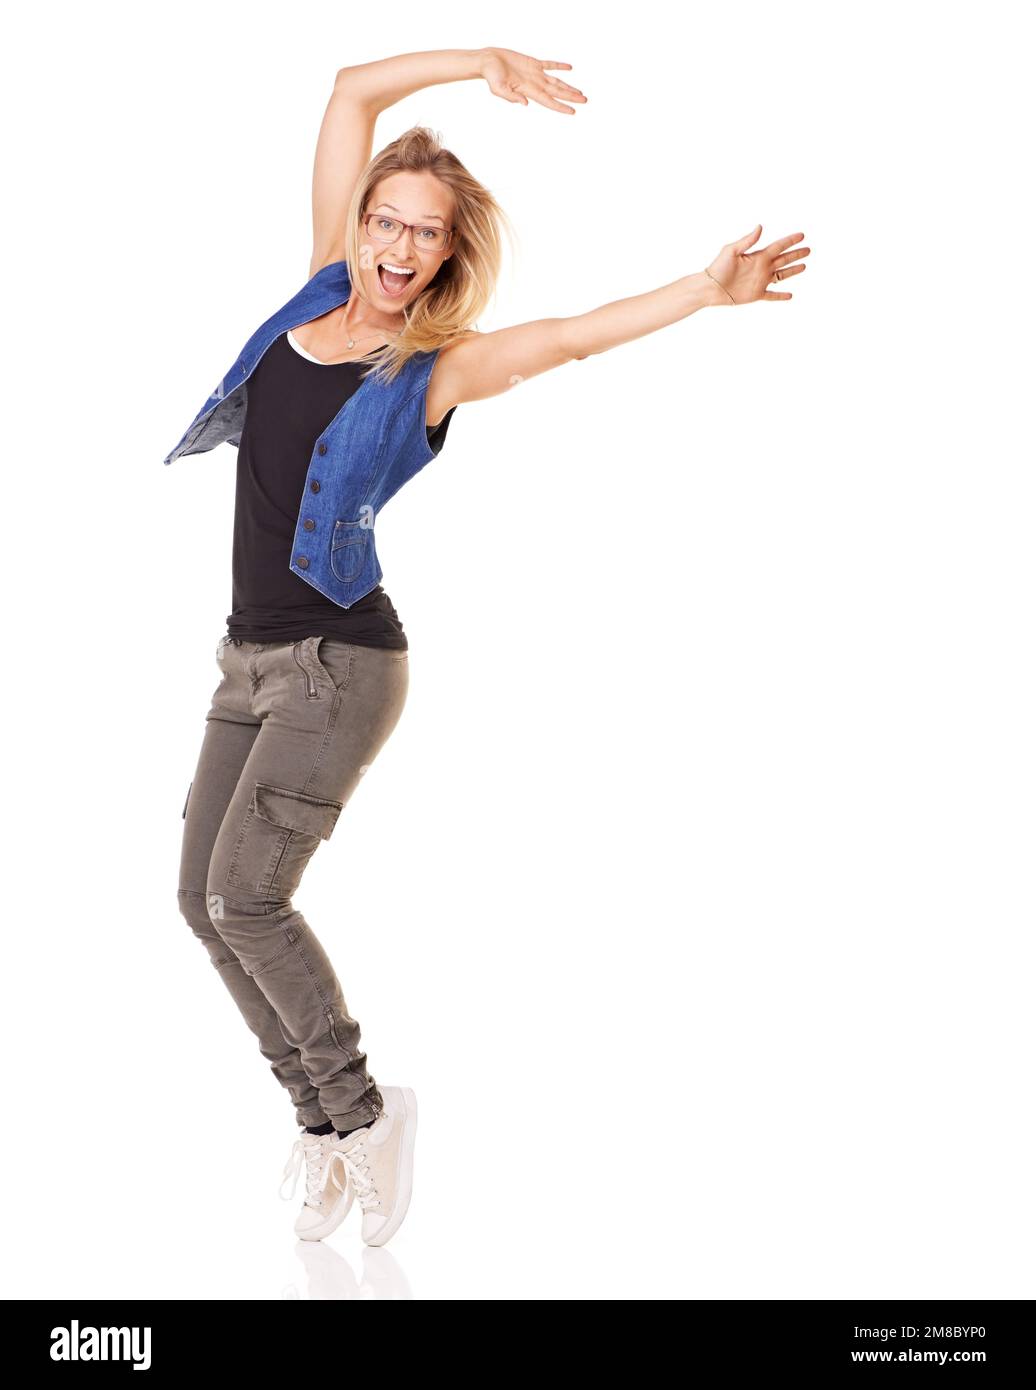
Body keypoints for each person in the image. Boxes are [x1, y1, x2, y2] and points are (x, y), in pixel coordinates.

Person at [172, 45, 810, 1248]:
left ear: (451, 257)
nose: (400, 248)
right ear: (359, 223)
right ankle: (321, 1128)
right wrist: (480, 64)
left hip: (339, 666)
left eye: (427, 236)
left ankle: (365, 1114)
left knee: (246, 897)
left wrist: (702, 289)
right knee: (201, 904)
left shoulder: (430, 369)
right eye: (386, 222)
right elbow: (354, 89)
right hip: (244, 659)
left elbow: (566, 337)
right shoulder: (317, 289)